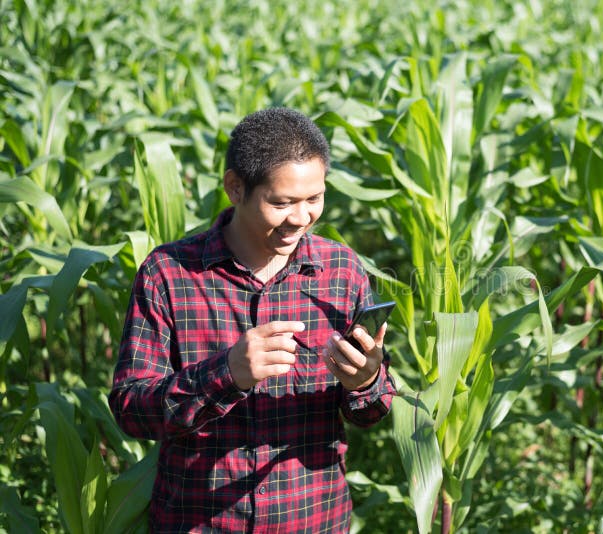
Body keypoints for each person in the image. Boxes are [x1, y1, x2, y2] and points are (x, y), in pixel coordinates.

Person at [109, 107, 396, 533]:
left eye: (314, 198)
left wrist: (365, 383)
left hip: (312, 520)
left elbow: (373, 410)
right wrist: (226, 374)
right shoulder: (168, 273)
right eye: (282, 203)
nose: (301, 219)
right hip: (200, 522)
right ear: (235, 188)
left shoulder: (342, 270)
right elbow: (131, 409)